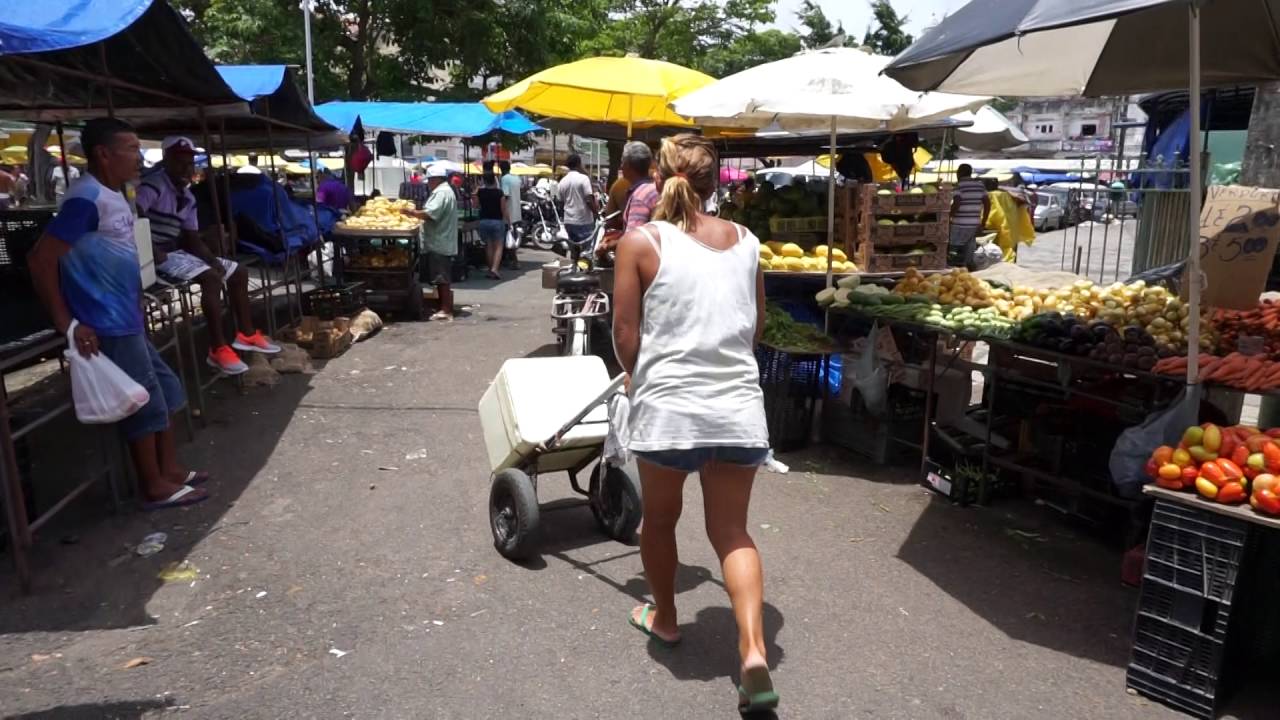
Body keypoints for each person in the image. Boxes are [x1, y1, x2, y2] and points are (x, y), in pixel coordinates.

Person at [612, 134, 778, 714]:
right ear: (712, 184)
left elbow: (625, 334)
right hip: (737, 408)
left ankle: (666, 617)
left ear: (657, 178)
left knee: (659, 521)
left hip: (668, 410)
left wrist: (635, 374)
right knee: (732, 532)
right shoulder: (748, 242)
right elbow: (755, 326)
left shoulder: (640, 242)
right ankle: (753, 649)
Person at [27, 118, 211, 510]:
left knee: (167, 389)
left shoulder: (114, 195)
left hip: (125, 316)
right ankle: (154, 485)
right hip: (105, 321)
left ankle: (169, 470)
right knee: (143, 400)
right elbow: (41, 259)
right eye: (130, 149)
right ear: (103, 154)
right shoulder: (85, 199)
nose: (138, 158)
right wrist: (67, 322)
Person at [136, 136, 280, 375]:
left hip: (175, 252)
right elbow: (134, 214)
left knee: (238, 272)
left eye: (190, 164)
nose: (186, 169)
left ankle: (246, 333)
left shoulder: (188, 197)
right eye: (180, 162)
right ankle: (218, 348)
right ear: (167, 160)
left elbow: (191, 238)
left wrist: (212, 260)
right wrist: (150, 248)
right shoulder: (153, 186)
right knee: (211, 279)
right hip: (152, 257)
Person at [403, 165, 458, 321]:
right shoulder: (444, 191)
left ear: (436, 180)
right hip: (439, 240)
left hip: (439, 241)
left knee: (441, 278)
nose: (428, 184)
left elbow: (429, 213)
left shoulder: (442, 193)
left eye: (430, 180)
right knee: (439, 277)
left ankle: (445, 309)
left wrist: (411, 212)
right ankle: (441, 307)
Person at [949, 163, 991, 269]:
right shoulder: (980, 185)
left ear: (959, 173)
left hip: (959, 225)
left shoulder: (959, 185)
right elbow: (987, 203)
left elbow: (957, 202)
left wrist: (949, 216)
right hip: (974, 225)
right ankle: (967, 269)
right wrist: (983, 222)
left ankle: (955, 269)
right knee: (969, 250)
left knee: (955, 249)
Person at [557, 153, 598, 248]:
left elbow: (561, 202)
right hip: (583, 221)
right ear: (579, 164)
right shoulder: (583, 178)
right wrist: (596, 212)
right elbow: (589, 200)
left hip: (568, 221)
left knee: (574, 249)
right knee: (587, 249)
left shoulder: (562, 181)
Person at [474, 172, 507, 280]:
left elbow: (475, 205)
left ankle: (490, 269)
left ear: (484, 181)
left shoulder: (480, 192)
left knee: (488, 245)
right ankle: (495, 269)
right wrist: (507, 221)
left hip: (484, 221)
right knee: (499, 246)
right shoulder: (499, 192)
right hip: (497, 221)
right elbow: (503, 209)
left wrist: (477, 190)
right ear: (494, 180)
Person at [621, 142, 659, 231]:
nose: (621, 166)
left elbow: (633, 234)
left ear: (627, 165)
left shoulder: (640, 196)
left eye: (622, 162)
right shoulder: (655, 188)